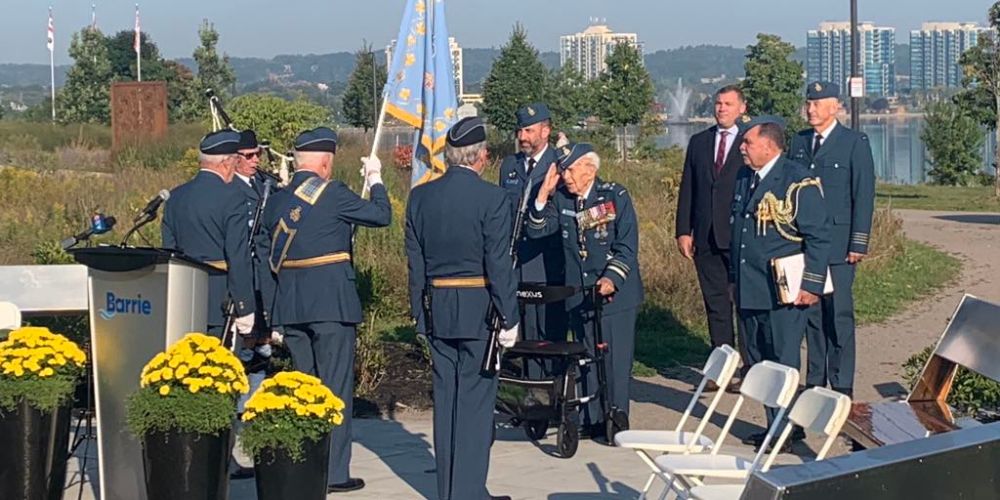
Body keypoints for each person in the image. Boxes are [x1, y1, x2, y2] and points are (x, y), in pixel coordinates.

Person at [262, 127, 390, 494]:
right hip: (331, 305)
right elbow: (381, 216)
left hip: (291, 305)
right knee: (334, 388)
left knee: (305, 387)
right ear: (324, 161)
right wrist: (376, 179)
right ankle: (333, 473)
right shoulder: (331, 193)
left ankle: (307, 464)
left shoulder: (277, 199)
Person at [405, 116, 519, 500]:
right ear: (481, 156)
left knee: (447, 402)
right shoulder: (493, 199)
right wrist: (510, 315)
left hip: (437, 307)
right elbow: (497, 263)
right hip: (478, 309)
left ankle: (448, 490)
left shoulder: (420, 196)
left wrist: (418, 315)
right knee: (474, 404)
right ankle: (469, 492)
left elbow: (415, 262)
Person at [527, 142, 643, 439]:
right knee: (586, 356)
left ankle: (615, 418)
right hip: (579, 294)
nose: (565, 175)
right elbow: (538, 230)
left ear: (590, 169)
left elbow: (626, 246)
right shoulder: (564, 200)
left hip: (613, 293)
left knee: (613, 359)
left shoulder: (614, 196)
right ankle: (592, 419)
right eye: (563, 170)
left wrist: (610, 279)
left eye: (570, 169)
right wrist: (542, 196)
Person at [728, 115, 831, 448]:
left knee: (782, 359)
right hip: (750, 285)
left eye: (748, 142)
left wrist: (812, 286)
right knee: (758, 360)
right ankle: (776, 424)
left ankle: (786, 429)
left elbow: (818, 237)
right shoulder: (747, 177)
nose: (741, 148)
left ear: (769, 145)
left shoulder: (797, 181)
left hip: (783, 289)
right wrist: (734, 279)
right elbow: (741, 233)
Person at [788, 81, 875, 400]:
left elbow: (863, 195)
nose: (810, 109)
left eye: (817, 103)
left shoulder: (853, 142)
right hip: (807, 245)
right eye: (808, 103)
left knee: (838, 314)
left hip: (839, 246)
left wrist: (858, 243)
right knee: (810, 313)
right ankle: (815, 381)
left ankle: (841, 385)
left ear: (834, 106)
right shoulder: (798, 142)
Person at [675, 85, 748, 393]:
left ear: (741, 108)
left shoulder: (751, 142)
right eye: (718, 104)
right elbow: (688, 188)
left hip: (740, 237)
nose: (721, 109)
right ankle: (722, 368)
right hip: (705, 236)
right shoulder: (700, 142)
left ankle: (750, 366)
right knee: (715, 303)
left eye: (728, 104)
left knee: (744, 303)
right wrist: (683, 230)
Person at [161, 129, 255, 338]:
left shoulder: (175, 197)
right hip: (221, 299)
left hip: (184, 297)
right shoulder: (232, 197)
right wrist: (245, 305)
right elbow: (237, 254)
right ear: (226, 162)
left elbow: (168, 249)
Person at [498, 103, 566, 343]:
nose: (522, 137)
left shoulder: (558, 163)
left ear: (545, 131)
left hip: (547, 263)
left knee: (548, 331)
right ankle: (527, 379)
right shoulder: (510, 165)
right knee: (523, 332)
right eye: (520, 131)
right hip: (517, 262)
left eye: (528, 131)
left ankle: (551, 378)